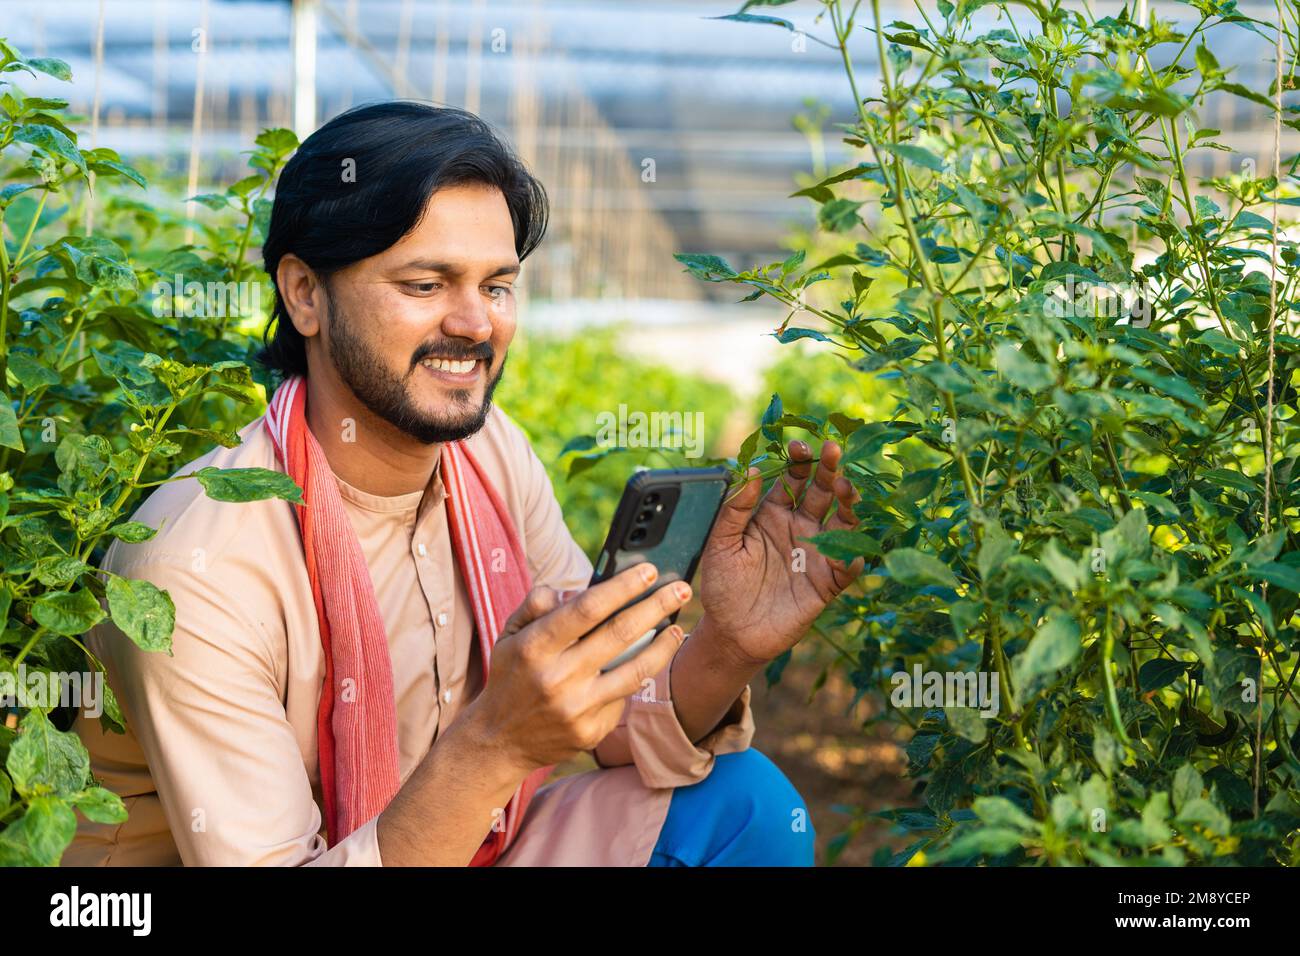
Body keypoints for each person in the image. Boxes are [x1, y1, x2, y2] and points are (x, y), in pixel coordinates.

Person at [65, 102, 864, 867]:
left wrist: (730, 643)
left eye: (496, 285)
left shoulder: (492, 456)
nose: (476, 323)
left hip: (465, 844)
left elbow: (607, 719)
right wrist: (498, 744)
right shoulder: (195, 571)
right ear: (305, 294)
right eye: (424, 285)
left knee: (745, 808)